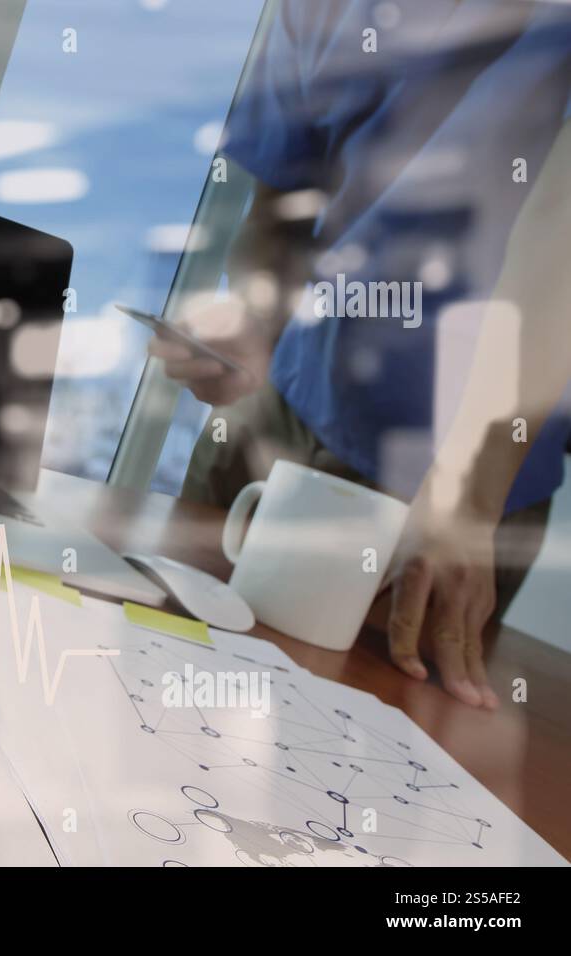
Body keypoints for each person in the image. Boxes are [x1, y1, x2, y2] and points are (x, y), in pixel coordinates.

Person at [150, 0, 571, 709]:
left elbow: (557, 250)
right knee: (160, 682)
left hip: (471, 479)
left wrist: (470, 494)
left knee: (355, 760)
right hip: (279, 420)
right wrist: (253, 321)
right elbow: (277, 205)